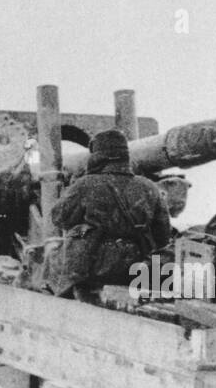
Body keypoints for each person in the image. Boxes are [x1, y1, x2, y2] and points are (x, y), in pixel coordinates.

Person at [46, 129, 170, 301]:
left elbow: (59, 218)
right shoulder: (149, 187)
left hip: (93, 268)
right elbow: (163, 236)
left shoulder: (86, 184)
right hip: (136, 266)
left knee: (54, 253)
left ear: (97, 156)